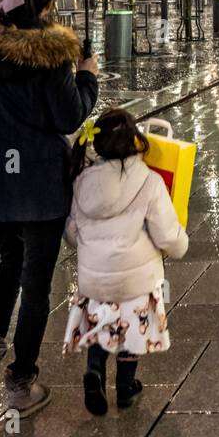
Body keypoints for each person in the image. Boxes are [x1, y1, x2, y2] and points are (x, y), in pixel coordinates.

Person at [0, 0, 99, 415]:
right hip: (40, 187)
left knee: (7, 263)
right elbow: (69, 116)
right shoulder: (52, 52)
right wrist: (87, 75)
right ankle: (21, 384)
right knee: (36, 286)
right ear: (50, 4)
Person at [63, 108, 188, 415]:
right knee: (132, 330)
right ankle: (125, 387)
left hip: (95, 280)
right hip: (137, 282)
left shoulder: (82, 182)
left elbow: (72, 232)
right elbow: (167, 234)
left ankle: (95, 371)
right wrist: (179, 245)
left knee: (99, 325)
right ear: (136, 141)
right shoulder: (150, 181)